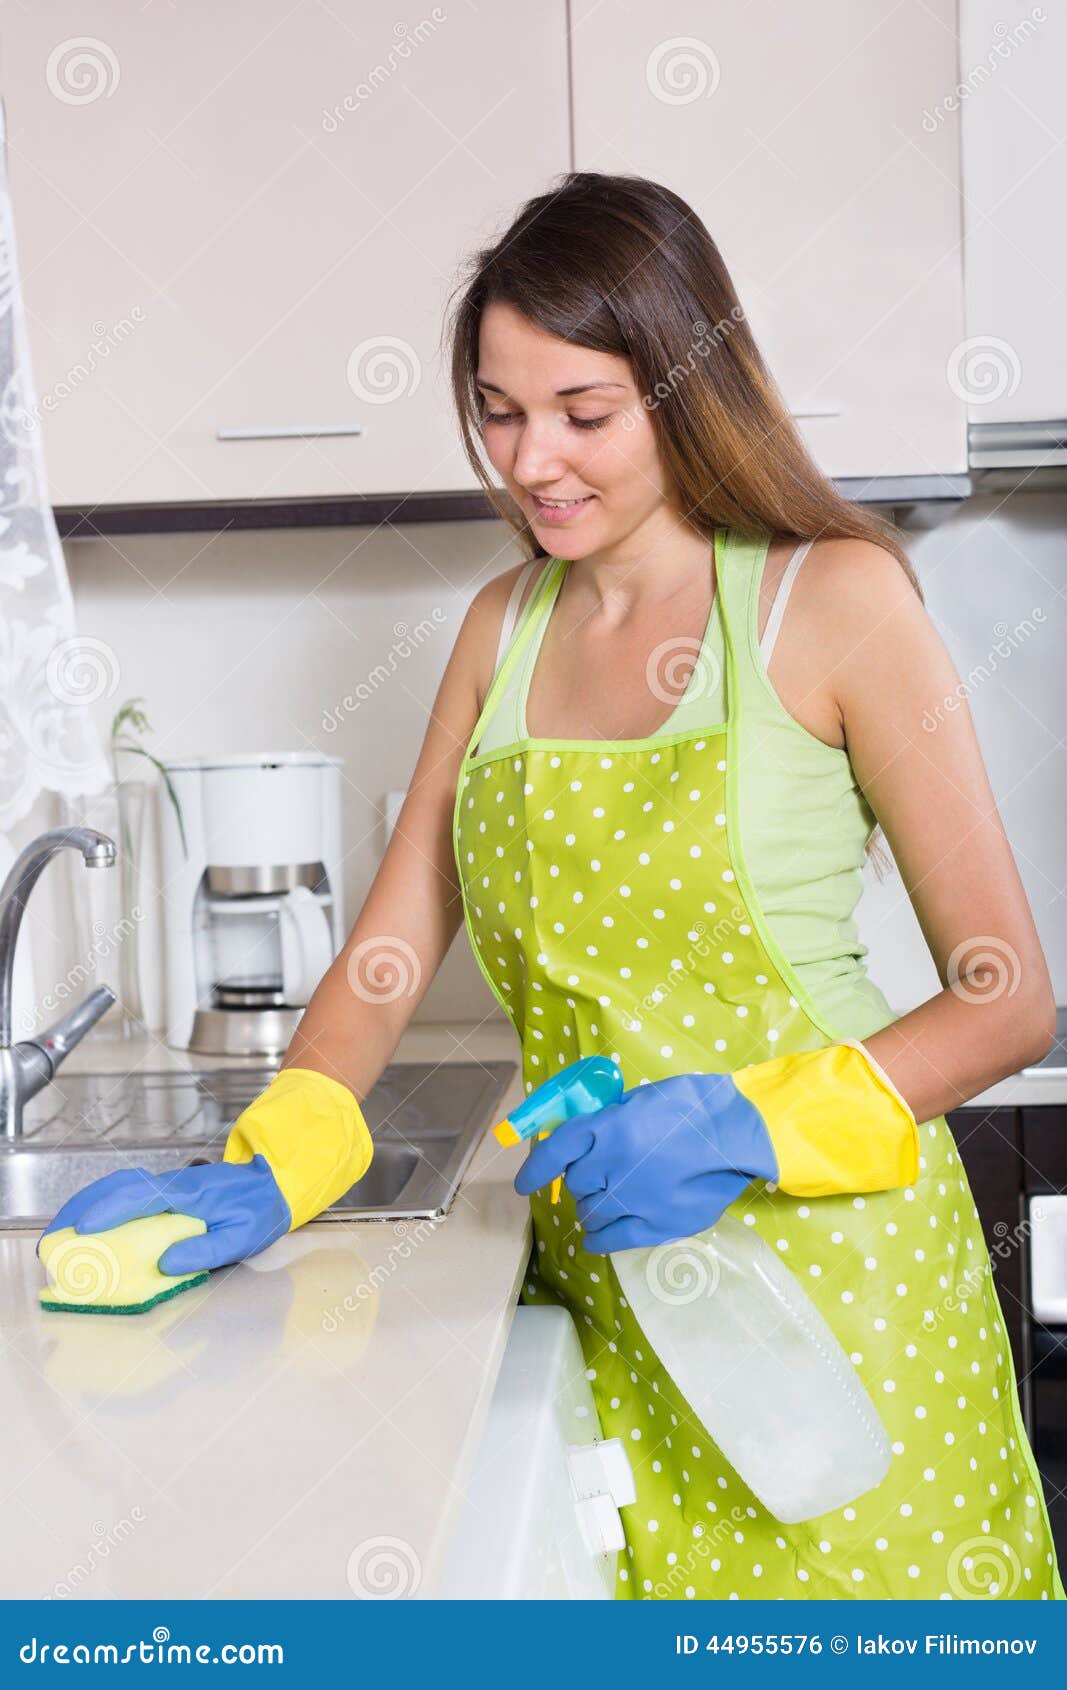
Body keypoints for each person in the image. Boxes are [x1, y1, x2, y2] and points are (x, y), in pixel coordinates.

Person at [46, 172, 1063, 1601]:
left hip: (833, 1308)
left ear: (689, 388)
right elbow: (391, 953)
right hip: (612, 1301)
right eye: (500, 410)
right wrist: (275, 1159)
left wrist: (748, 1122)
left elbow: (1006, 999)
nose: (533, 461)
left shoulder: (829, 600)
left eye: (583, 413)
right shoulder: (499, 629)